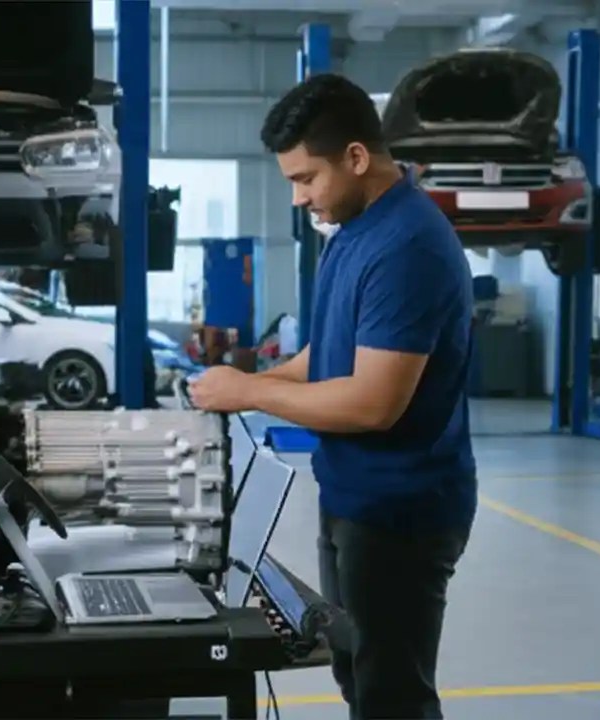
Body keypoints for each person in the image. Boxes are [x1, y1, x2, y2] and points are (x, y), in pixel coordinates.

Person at [190, 73, 475, 719]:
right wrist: (250, 384)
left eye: (306, 179)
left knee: (391, 695)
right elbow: (331, 354)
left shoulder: (408, 247)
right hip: (352, 493)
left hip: (401, 511)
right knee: (355, 669)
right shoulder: (356, 229)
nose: (299, 197)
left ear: (356, 157)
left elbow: (373, 403)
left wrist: (249, 391)